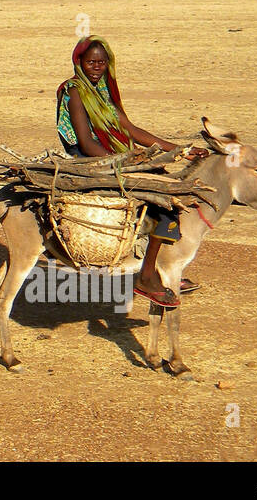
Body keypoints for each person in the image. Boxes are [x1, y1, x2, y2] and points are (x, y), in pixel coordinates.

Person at [55, 35, 201, 306]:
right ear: (79, 63)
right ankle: (146, 277)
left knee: (164, 180)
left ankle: (162, 269)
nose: (97, 67)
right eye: (90, 62)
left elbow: (131, 130)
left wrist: (179, 149)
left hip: (113, 156)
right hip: (88, 159)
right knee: (164, 205)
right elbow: (86, 143)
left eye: (101, 62)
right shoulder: (74, 90)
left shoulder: (105, 91)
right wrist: (123, 162)